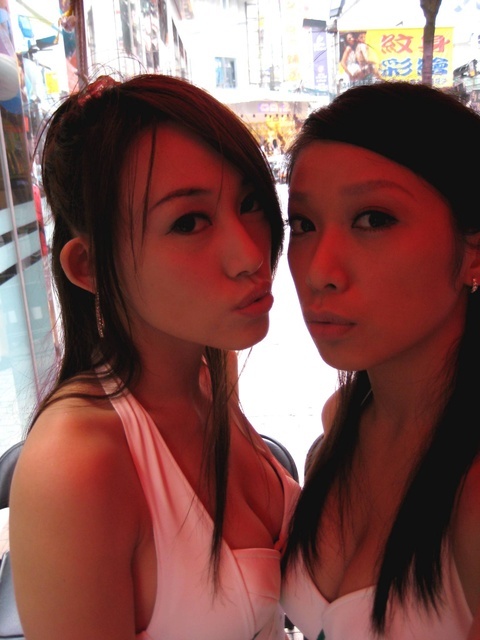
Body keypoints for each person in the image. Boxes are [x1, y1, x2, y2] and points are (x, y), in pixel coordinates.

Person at [8, 73, 300, 640]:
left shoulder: (207, 376)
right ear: (89, 267)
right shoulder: (76, 466)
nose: (250, 254)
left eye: (249, 203)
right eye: (189, 222)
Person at [280, 81, 480, 639]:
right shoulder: (343, 421)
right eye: (303, 225)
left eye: (373, 219)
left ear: (473, 250)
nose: (319, 270)